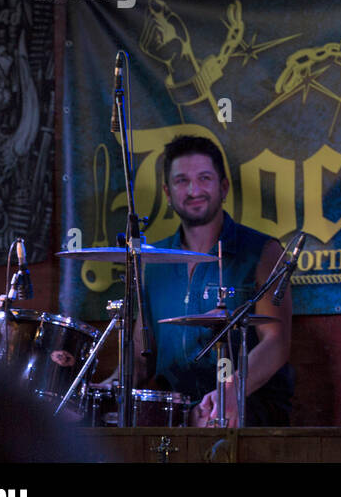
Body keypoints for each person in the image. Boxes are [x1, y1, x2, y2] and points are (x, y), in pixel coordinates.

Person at [122, 135, 294, 426]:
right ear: (167, 192)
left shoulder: (263, 251)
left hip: (247, 406)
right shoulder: (153, 263)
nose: (193, 190)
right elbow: (142, 355)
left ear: (223, 187)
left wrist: (231, 392)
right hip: (173, 413)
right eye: (181, 181)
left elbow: (276, 342)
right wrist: (107, 387)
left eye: (204, 178)